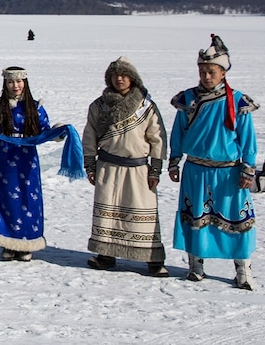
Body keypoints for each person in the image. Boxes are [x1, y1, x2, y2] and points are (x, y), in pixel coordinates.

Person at [168, 35, 257, 288]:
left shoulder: (237, 102)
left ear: (223, 72)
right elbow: (178, 133)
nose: (207, 76)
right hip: (196, 170)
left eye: (212, 71)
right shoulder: (188, 100)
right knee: (196, 216)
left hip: (229, 173)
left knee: (237, 220)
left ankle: (243, 271)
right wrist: (174, 161)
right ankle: (196, 266)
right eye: (203, 71)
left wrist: (248, 168)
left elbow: (247, 140)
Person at [82, 56, 167, 276]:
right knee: (108, 214)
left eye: (124, 75)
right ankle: (105, 255)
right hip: (108, 166)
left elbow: (157, 137)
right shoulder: (99, 106)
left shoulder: (145, 106)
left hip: (138, 168)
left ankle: (152, 259)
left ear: (132, 78)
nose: (119, 79)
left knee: (143, 215)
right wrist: (90, 165)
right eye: (115, 75)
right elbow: (89, 135)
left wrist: (155, 168)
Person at [0, 66, 53, 261]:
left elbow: (44, 130)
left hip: (27, 158)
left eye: (19, 81)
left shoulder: (34, 106)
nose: (15, 85)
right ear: (5, 83)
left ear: (25, 82)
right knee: (5, 198)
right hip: (4, 157)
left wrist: (58, 133)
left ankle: (26, 243)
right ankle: (7, 243)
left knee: (27, 198)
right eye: (11, 82)